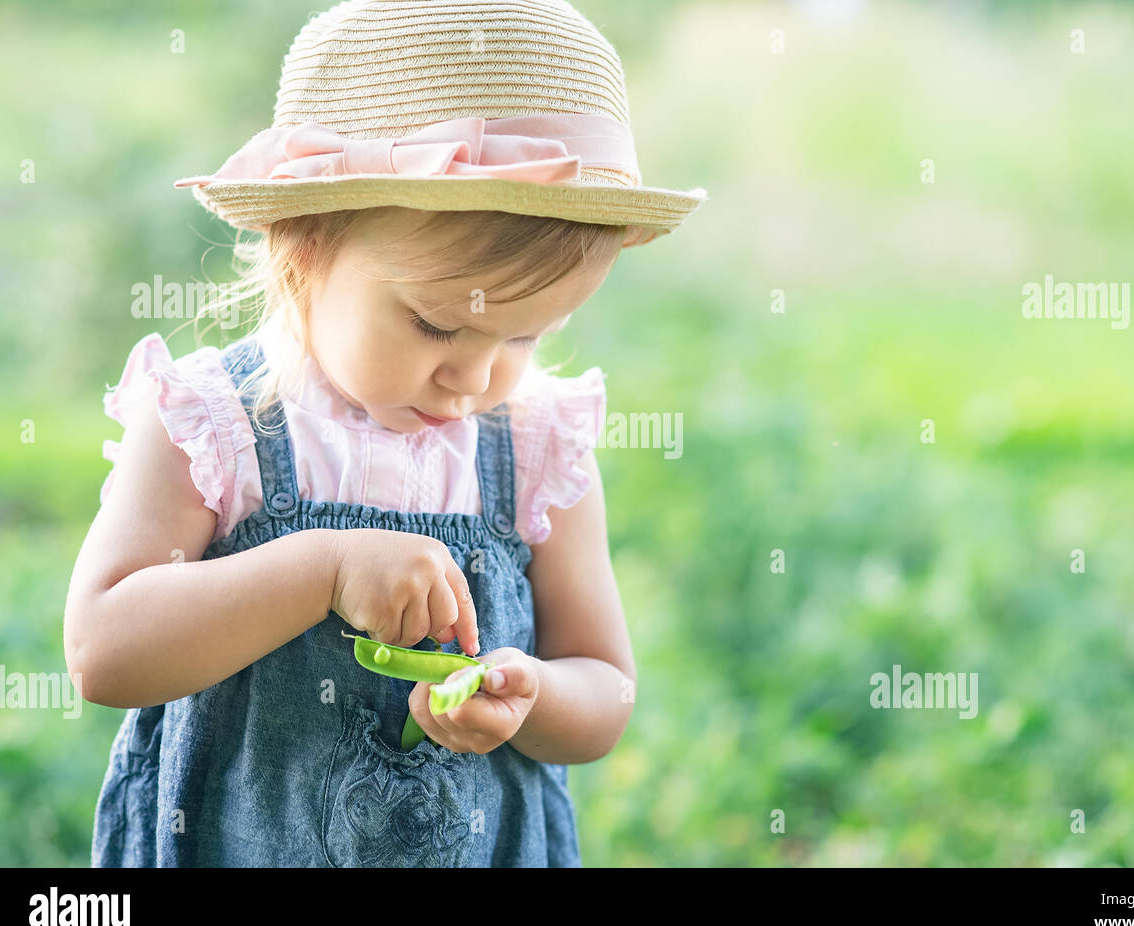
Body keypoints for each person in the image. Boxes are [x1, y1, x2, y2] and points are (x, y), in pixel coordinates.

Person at [62, 0, 705, 867]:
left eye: (524, 336)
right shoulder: (212, 425)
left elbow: (605, 686)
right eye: (436, 326)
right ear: (307, 247)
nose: (475, 379)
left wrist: (532, 694)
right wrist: (319, 568)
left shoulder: (536, 449)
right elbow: (105, 651)